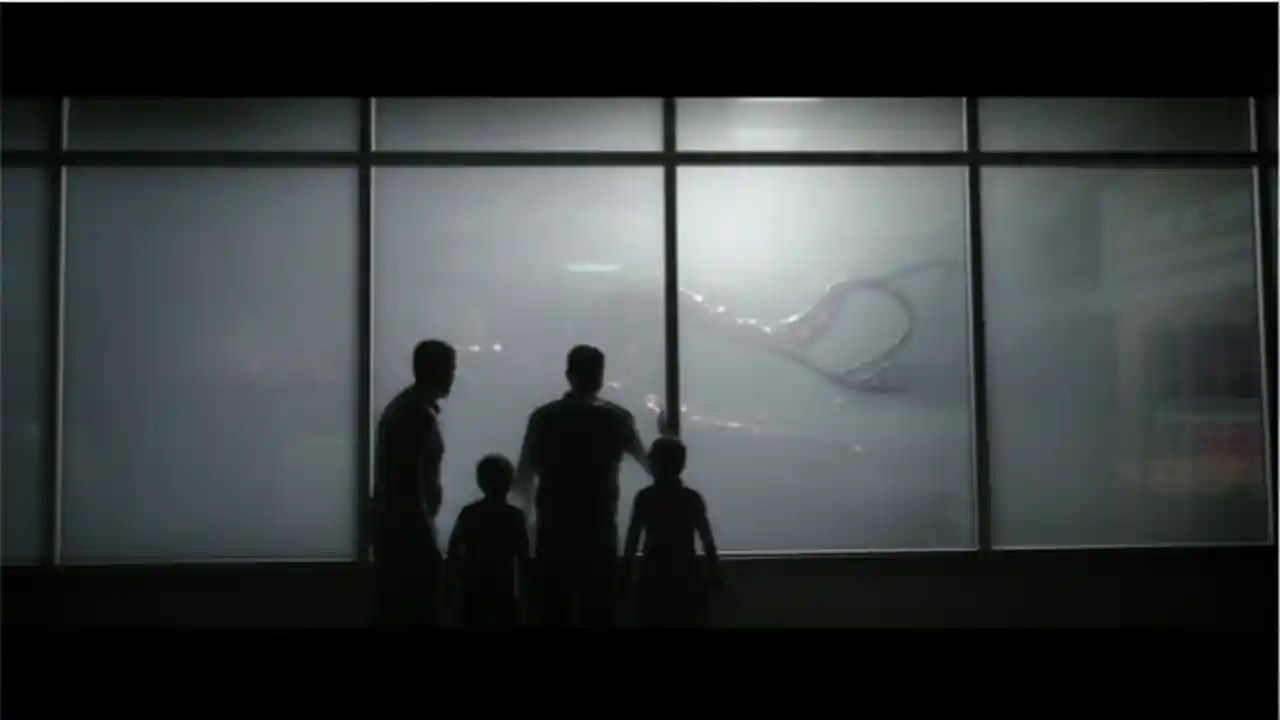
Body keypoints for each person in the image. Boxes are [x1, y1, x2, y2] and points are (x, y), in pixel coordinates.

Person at [515, 344, 649, 628]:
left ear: (568, 375)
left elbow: (524, 478)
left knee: (552, 613)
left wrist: (522, 540)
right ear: (601, 376)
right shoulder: (617, 418)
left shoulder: (545, 418)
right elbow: (650, 465)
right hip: (598, 530)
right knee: (598, 614)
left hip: (553, 530)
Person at [370, 339, 456, 628]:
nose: (453, 377)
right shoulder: (417, 414)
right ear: (433, 369)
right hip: (408, 533)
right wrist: (426, 535)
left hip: (397, 529)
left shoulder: (404, 408)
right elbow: (410, 482)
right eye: (449, 369)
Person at [621, 436, 722, 628]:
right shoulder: (691, 499)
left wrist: (625, 576)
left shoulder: (646, 498)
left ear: (654, 463)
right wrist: (715, 574)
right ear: (681, 465)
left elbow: (632, 541)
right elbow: (707, 541)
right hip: (687, 577)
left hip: (653, 578)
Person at [445, 455, 530, 629]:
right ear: (509, 482)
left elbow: (454, 553)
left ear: (480, 481)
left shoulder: (469, 514)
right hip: (503, 593)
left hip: (472, 593)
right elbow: (523, 558)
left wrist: (450, 593)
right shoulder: (514, 517)